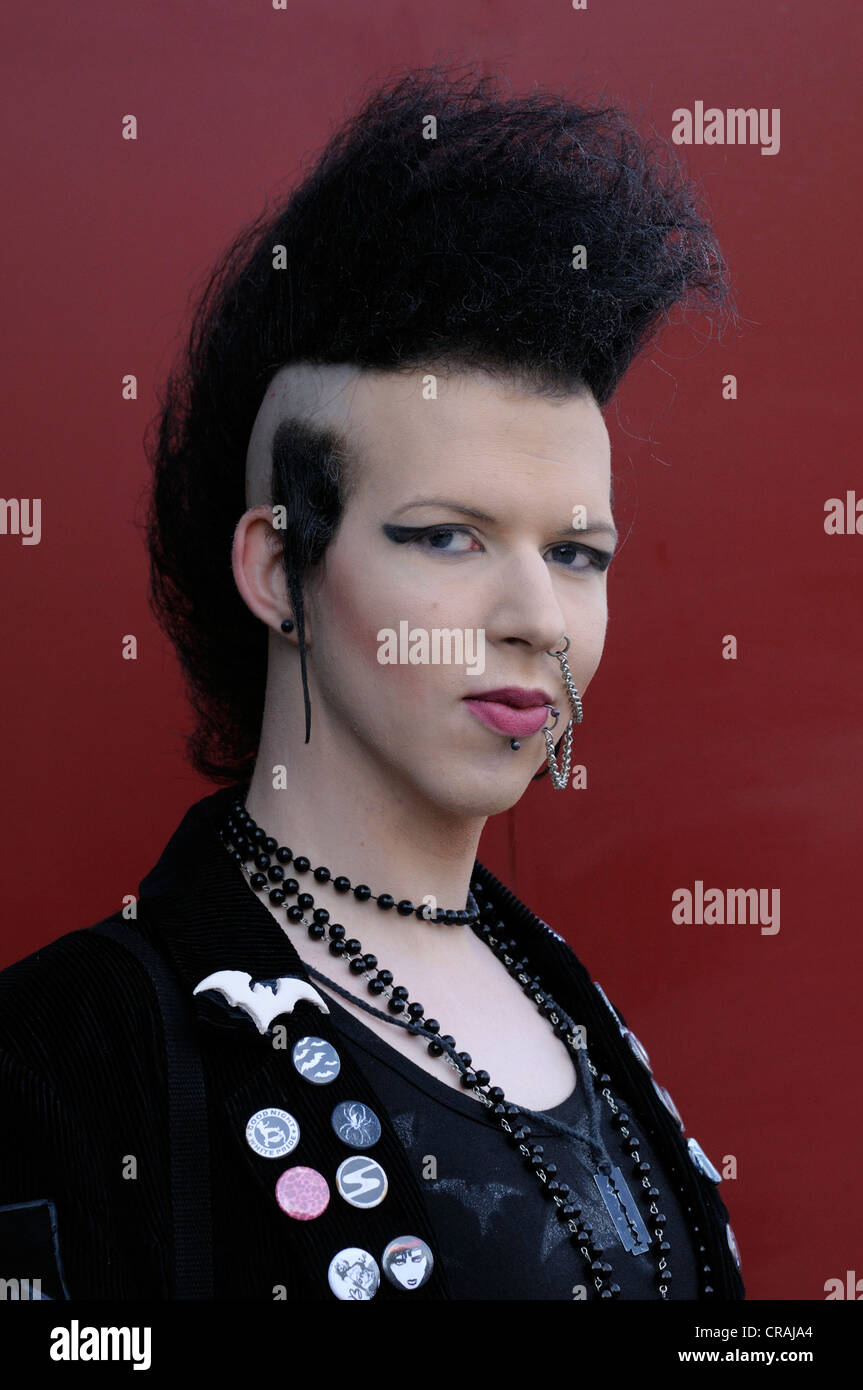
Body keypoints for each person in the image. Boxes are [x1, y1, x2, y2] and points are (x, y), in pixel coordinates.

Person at [0, 63, 745, 1301]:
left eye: (576, 553)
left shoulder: (568, 1009)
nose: (532, 620)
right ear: (279, 566)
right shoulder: (69, 1058)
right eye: (445, 536)